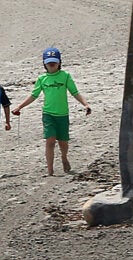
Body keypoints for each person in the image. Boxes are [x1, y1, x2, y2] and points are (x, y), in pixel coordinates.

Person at [13, 47, 91, 176]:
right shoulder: (42, 78)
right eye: (49, 62)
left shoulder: (65, 76)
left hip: (63, 114)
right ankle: (50, 170)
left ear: (59, 62)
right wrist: (20, 107)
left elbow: (75, 92)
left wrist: (86, 104)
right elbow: (33, 95)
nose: (52, 65)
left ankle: (64, 157)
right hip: (48, 114)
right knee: (50, 141)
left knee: (63, 142)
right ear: (44, 63)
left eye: (54, 62)